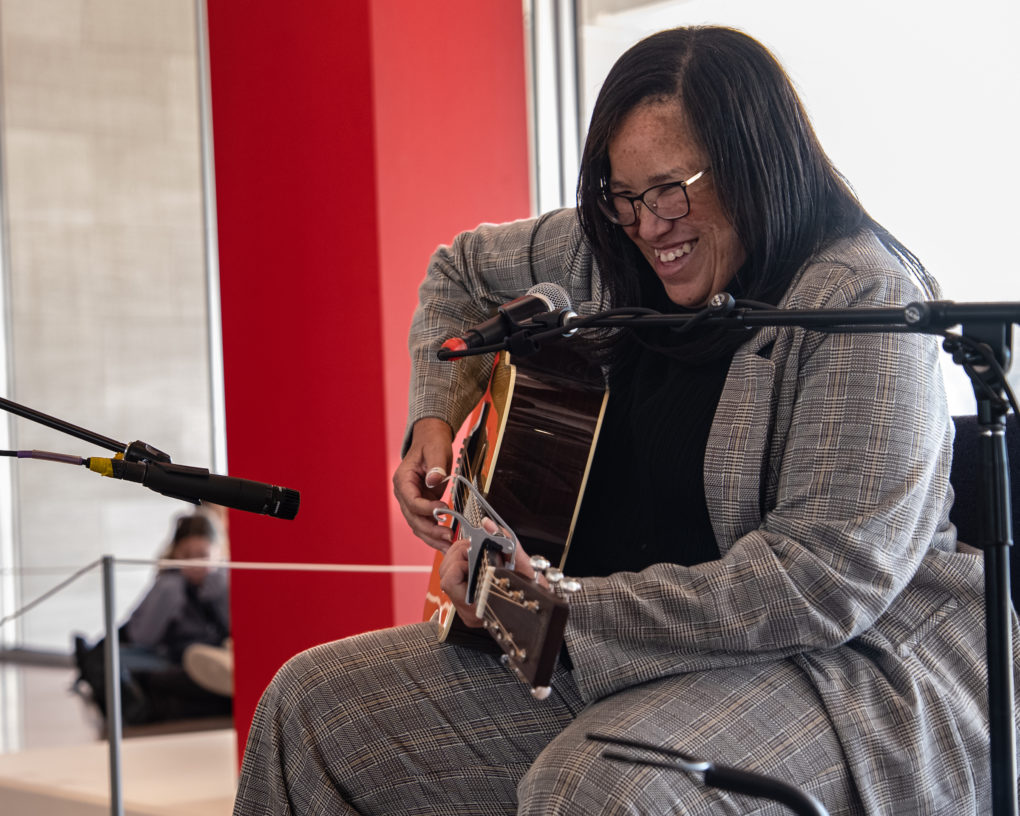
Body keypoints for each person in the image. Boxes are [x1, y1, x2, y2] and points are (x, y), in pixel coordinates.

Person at [232, 26, 1013, 814]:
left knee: (599, 789)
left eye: (672, 190)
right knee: (313, 708)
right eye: (623, 195)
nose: (649, 226)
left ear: (756, 161)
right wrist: (436, 414)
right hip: (623, 646)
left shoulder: (861, 298)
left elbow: (822, 582)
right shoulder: (613, 249)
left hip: (837, 661)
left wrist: (556, 609)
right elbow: (460, 273)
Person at [74, 511, 233, 724]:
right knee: (110, 660)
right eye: (187, 555)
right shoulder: (168, 586)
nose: (195, 563)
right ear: (175, 553)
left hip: (215, 653)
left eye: (202, 555)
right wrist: (169, 598)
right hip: (168, 656)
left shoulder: (223, 583)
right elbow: (143, 638)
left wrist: (218, 595)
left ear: (218, 552)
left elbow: (234, 630)